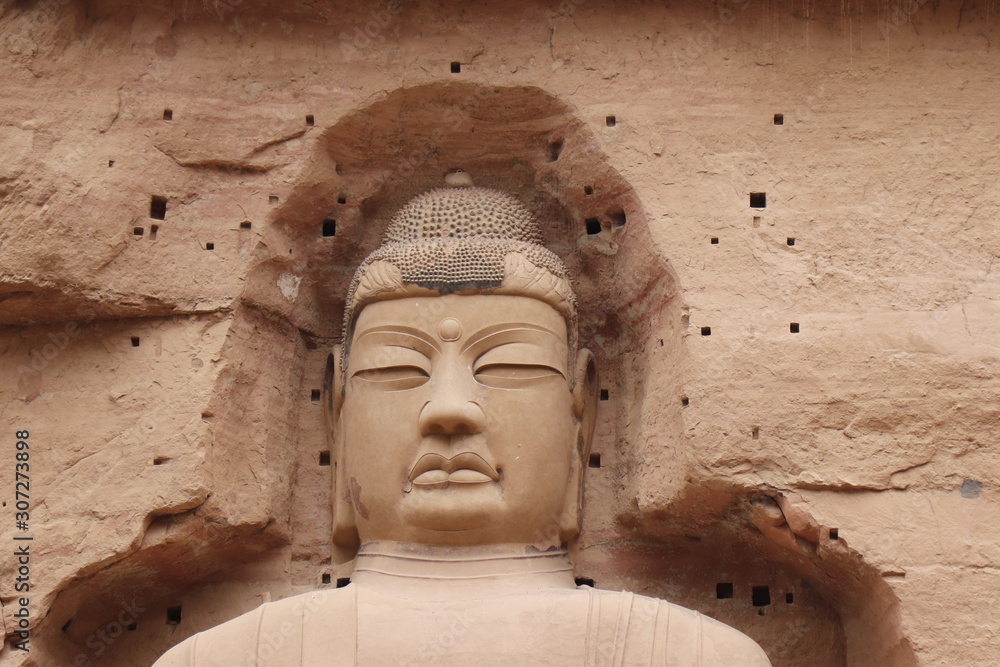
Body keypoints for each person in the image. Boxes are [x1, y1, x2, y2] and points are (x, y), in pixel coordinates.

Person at [154, 185, 770, 666]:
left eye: (509, 365)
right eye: (397, 368)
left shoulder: (692, 657)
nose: (451, 410)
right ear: (335, 414)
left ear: (582, 414)